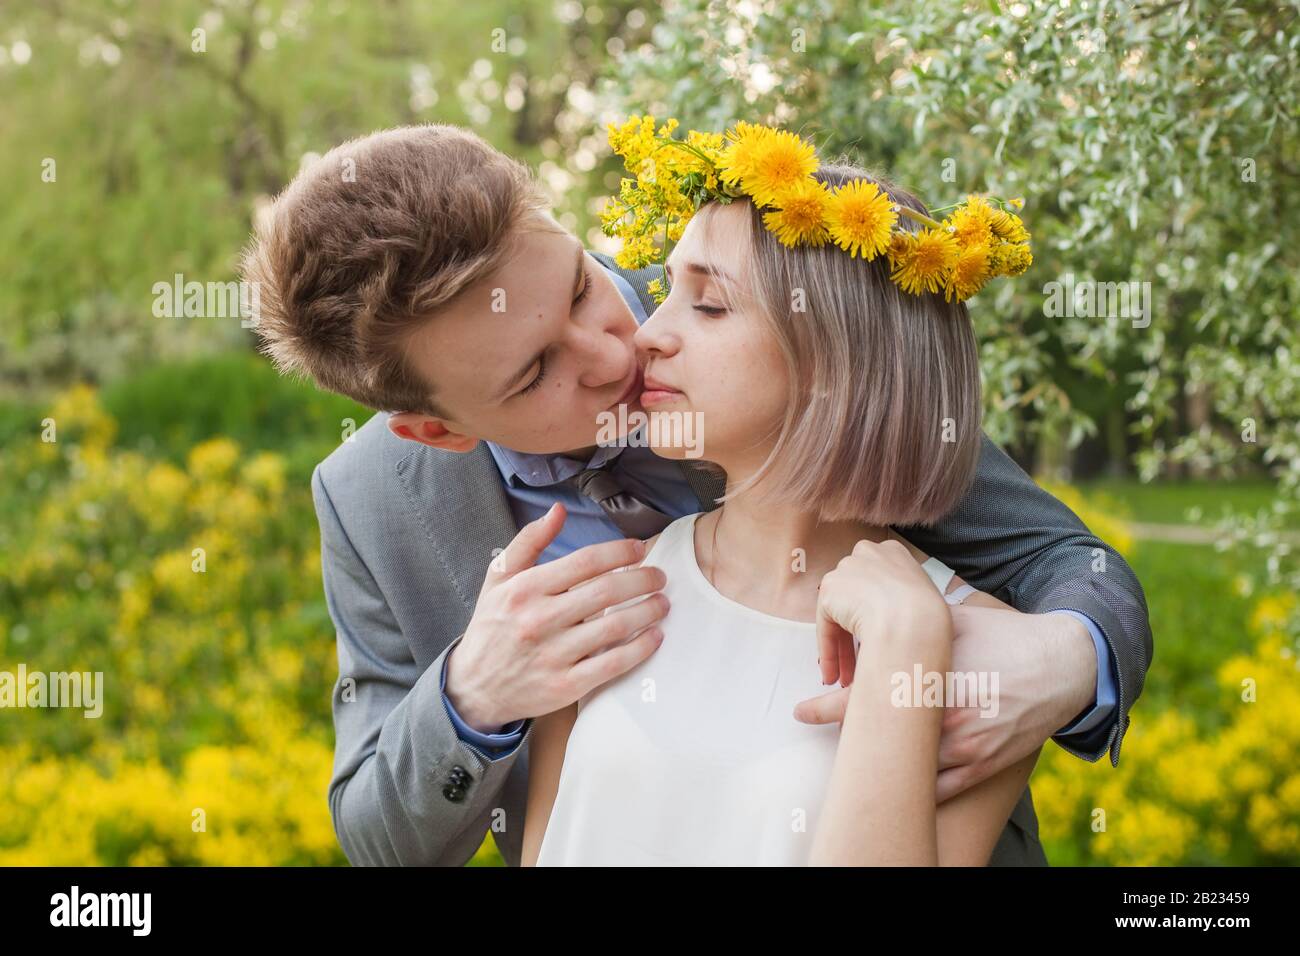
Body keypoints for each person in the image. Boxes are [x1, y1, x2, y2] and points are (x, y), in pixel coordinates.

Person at [239, 123, 1151, 866]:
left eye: (582, 288)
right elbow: (381, 836)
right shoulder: (371, 502)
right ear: (438, 428)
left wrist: (1061, 661)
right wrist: (473, 696)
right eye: (533, 376)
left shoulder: (757, 311)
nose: (618, 352)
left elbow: (1058, 555)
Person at [524, 161, 1041, 865]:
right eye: (670, 290)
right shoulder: (608, 595)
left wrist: (906, 639)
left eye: (708, 306)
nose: (647, 334)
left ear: (836, 363)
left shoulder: (986, 656)